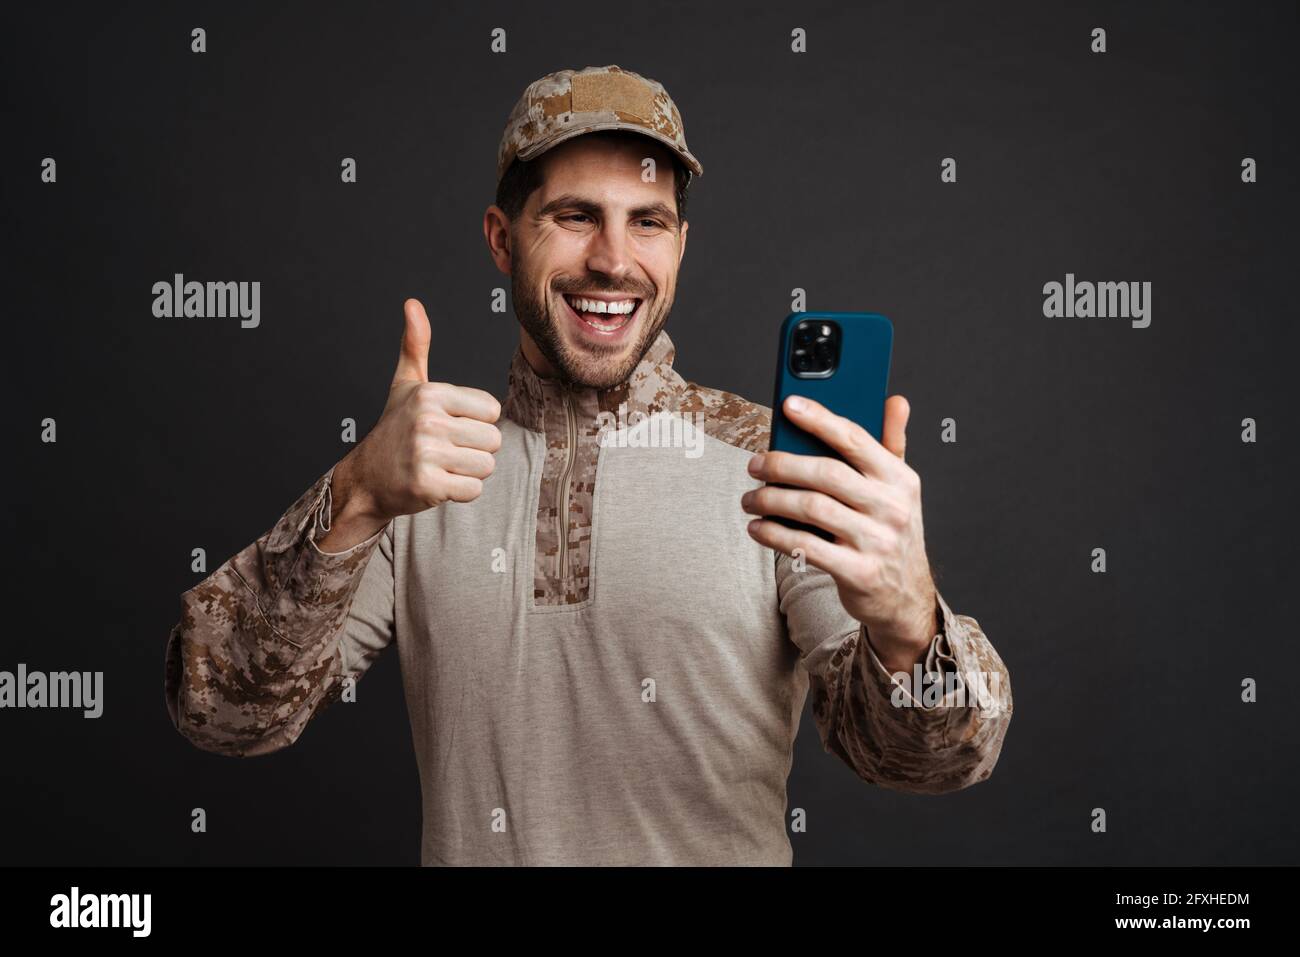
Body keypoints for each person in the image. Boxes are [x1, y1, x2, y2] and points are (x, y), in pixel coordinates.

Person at [164, 64, 1013, 866]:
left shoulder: (775, 465)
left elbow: (929, 765)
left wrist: (908, 625)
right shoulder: (416, 469)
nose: (613, 259)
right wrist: (353, 494)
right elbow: (223, 713)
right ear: (502, 239)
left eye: (648, 220)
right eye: (575, 216)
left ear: (679, 245)